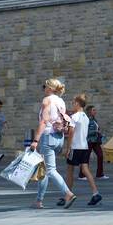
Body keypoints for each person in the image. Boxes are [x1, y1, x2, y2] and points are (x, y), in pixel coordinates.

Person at [28, 78, 77, 210]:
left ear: (49, 88)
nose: (43, 88)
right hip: (59, 138)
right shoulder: (60, 101)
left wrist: (35, 140)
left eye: (45, 86)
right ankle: (39, 201)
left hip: (48, 137)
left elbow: (44, 121)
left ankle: (68, 193)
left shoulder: (47, 100)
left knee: (50, 170)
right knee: (43, 169)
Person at [64, 94, 101, 207]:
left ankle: (68, 195)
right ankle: (95, 193)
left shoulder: (74, 117)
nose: (72, 105)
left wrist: (68, 148)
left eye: (73, 103)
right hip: (84, 147)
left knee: (70, 171)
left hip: (75, 147)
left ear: (77, 104)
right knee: (85, 169)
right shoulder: (85, 117)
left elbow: (71, 132)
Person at [86, 105, 106, 179]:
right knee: (86, 158)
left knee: (100, 155)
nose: (95, 112)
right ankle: (82, 175)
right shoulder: (87, 120)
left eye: (95, 110)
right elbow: (86, 132)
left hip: (96, 141)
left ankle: (100, 174)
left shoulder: (95, 120)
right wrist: (95, 131)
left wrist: (99, 133)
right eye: (93, 110)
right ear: (89, 111)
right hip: (89, 141)